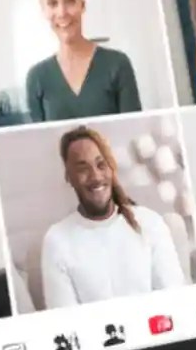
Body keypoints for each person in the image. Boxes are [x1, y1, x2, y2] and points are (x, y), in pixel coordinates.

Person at [40, 126, 185, 309]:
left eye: (101, 165)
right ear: (69, 177)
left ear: (111, 169)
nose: (95, 176)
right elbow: (66, 323)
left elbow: (176, 301)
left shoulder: (150, 223)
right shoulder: (57, 240)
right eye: (83, 168)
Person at [24, 0, 141, 122]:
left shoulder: (117, 65)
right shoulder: (37, 78)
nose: (62, 12)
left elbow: (135, 131)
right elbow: (37, 143)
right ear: (43, 10)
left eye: (70, 1)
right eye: (52, 3)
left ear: (82, 5)